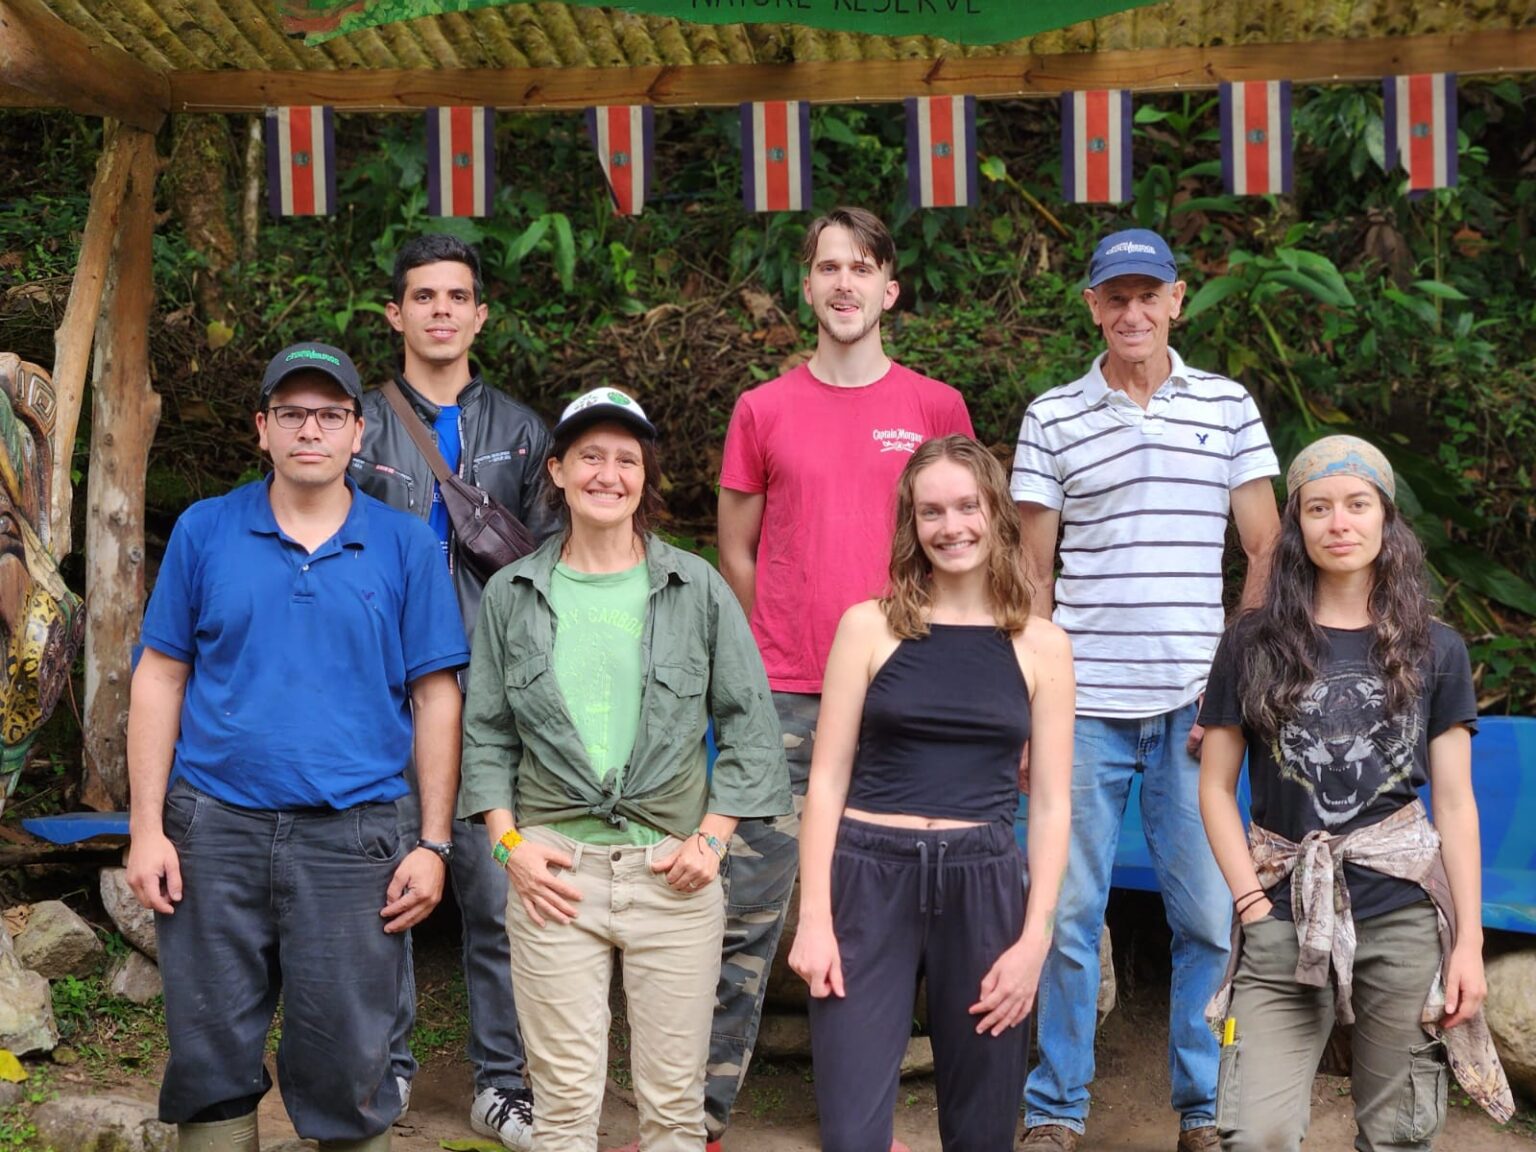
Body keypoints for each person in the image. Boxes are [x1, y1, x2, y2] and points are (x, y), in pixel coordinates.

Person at [125, 342, 468, 1152]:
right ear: (262, 429)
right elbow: (160, 679)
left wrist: (434, 841)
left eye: (328, 415)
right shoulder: (206, 531)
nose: (308, 429)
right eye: (291, 414)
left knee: (350, 1061)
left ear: (358, 433)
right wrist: (146, 828)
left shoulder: (405, 545)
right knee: (209, 1056)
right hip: (213, 829)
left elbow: (436, 697)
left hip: (355, 839)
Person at [690, 206, 973, 1152]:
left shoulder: (935, 406)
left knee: (878, 914)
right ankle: (697, 1117)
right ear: (806, 288)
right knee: (743, 908)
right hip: (787, 691)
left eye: (862, 267)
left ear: (890, 288)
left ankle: (864, 1117)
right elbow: (736, 548)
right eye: (826, 267)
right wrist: (776, 633)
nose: (844, 283)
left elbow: (965, 538)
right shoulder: (762, 408)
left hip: (911, 685)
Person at [458, 387, 791, 1152]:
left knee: (674, 1109)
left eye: (626, 460)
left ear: (645, 477)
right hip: (554, 879)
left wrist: (710, 840)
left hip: (671, 876)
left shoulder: (695, 586)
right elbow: (487, 735)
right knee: (565, 1107)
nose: (608, 474)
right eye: (590, 457)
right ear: (558, 471)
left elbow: (749, 723)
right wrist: (509, 847)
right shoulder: (515, 593)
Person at [1011, 228, 1282, 1152]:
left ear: (1177, 301)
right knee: (1067, 913)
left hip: (1196, 713)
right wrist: (1030, 704)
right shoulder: (1052, 415)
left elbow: (1265, 548)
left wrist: (1229, 690)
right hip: (1080, 708)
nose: (1131, 312)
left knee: (1207, 914)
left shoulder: (1229, 404)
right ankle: (1054, 1108)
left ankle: (1205, 1109)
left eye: (1148, 294)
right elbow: (1031, 574)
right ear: (1092, 306)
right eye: (1113, 297)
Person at [1197, 435, 1513, 1150]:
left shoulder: (1435, 648)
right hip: (1280, 915)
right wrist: (1250, 902)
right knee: (1255, 1134)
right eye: (1318, 508)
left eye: (1357, 505)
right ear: (1296, 527)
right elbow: (1215, 788)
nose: (1339, 523)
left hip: (1402, 919)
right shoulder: (1250, 644)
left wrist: (1468, 942)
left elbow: (1455, 805)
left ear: (1385, 520)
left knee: (1401, 1134)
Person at [789, 435, 1073, 1151]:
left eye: (967, 506)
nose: (952, 527)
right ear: (911, 526)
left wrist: (1034, 941)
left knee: (981, 1131)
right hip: (867, 877)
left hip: (983, 881)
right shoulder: (867, 627)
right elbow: (824, 780)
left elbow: (1049, 803)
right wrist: (815, 919)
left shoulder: (1042, 645)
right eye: (931, 512)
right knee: (851, 1135)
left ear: (997, 514)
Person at [351, 233, 556, 1150]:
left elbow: (557, 569)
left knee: (498, 895)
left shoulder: (522, 432)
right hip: (374, 690)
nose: (441, 310)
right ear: (395, 314)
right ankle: (384, 1068)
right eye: (422, 296)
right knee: (380, 890)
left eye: (457, 296)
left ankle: (503, 1084)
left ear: (480, 314)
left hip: (486, 696)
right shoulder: (351, 423)